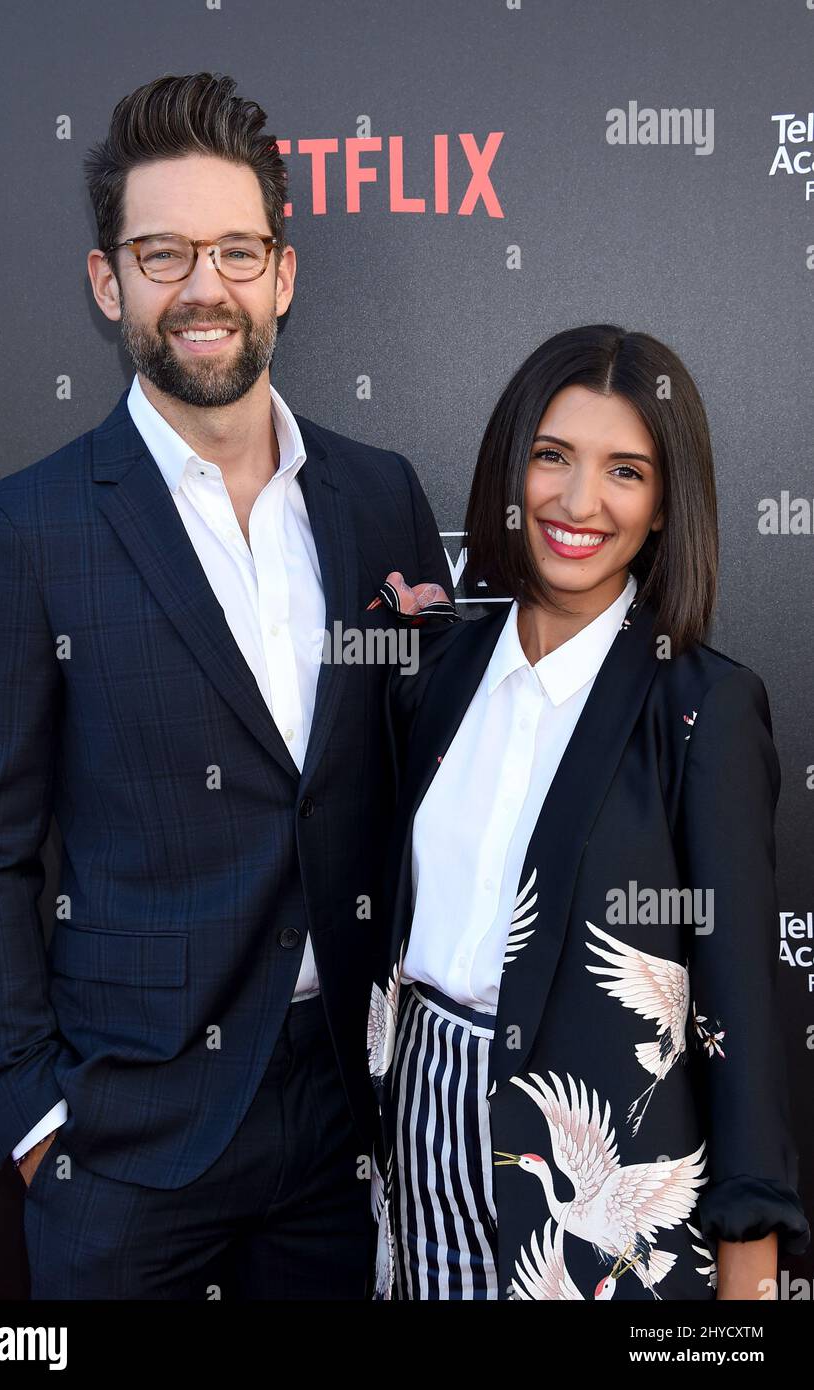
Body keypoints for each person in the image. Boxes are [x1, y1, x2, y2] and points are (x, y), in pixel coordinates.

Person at [0, 71, 450, 1300]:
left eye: (232, 250)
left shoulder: (381, 495)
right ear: (108, 283)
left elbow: (423, 776)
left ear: (283, 271)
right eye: (162, 254)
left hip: (346, 1119)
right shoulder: (26, 529)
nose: (202, 287)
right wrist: (31, 1119)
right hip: (123, 1140)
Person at [368, 324, 810, 1300]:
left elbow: (739, 1006)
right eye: (552, 457)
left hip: (592, 1201)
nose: (577, 502)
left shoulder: (700, 709)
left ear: (663, 507)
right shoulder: (435, 680)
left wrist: (747, 1277)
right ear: (510, 470)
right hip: (416, 1153)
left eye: (624, 471)